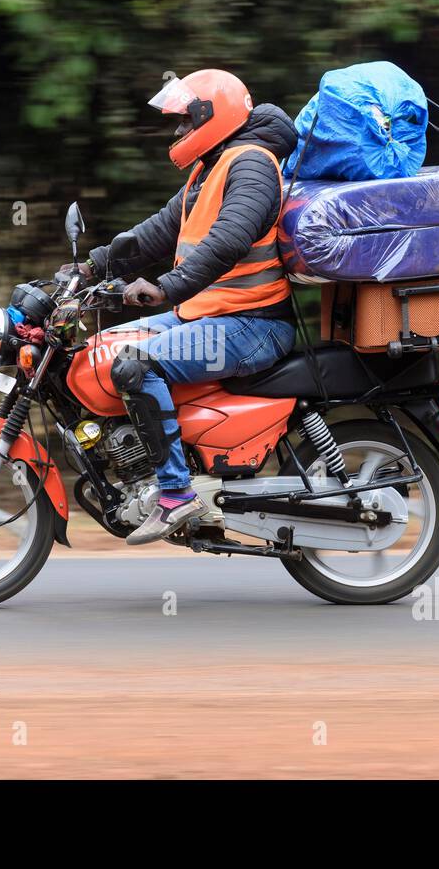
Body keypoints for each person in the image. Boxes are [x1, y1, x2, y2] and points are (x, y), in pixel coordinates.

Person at [58, 69, 298, 544]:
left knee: (135, 367)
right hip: (213, 313)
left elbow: (228, 240)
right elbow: (152, 235)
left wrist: (169, 286)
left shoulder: (250, 164)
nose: (178, 132)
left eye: (185, 121)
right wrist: (88, 270)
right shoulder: (209, 169)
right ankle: (149, 469)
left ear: (215, 116)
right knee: (105, 346)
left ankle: (174, 494)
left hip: (253, 323)